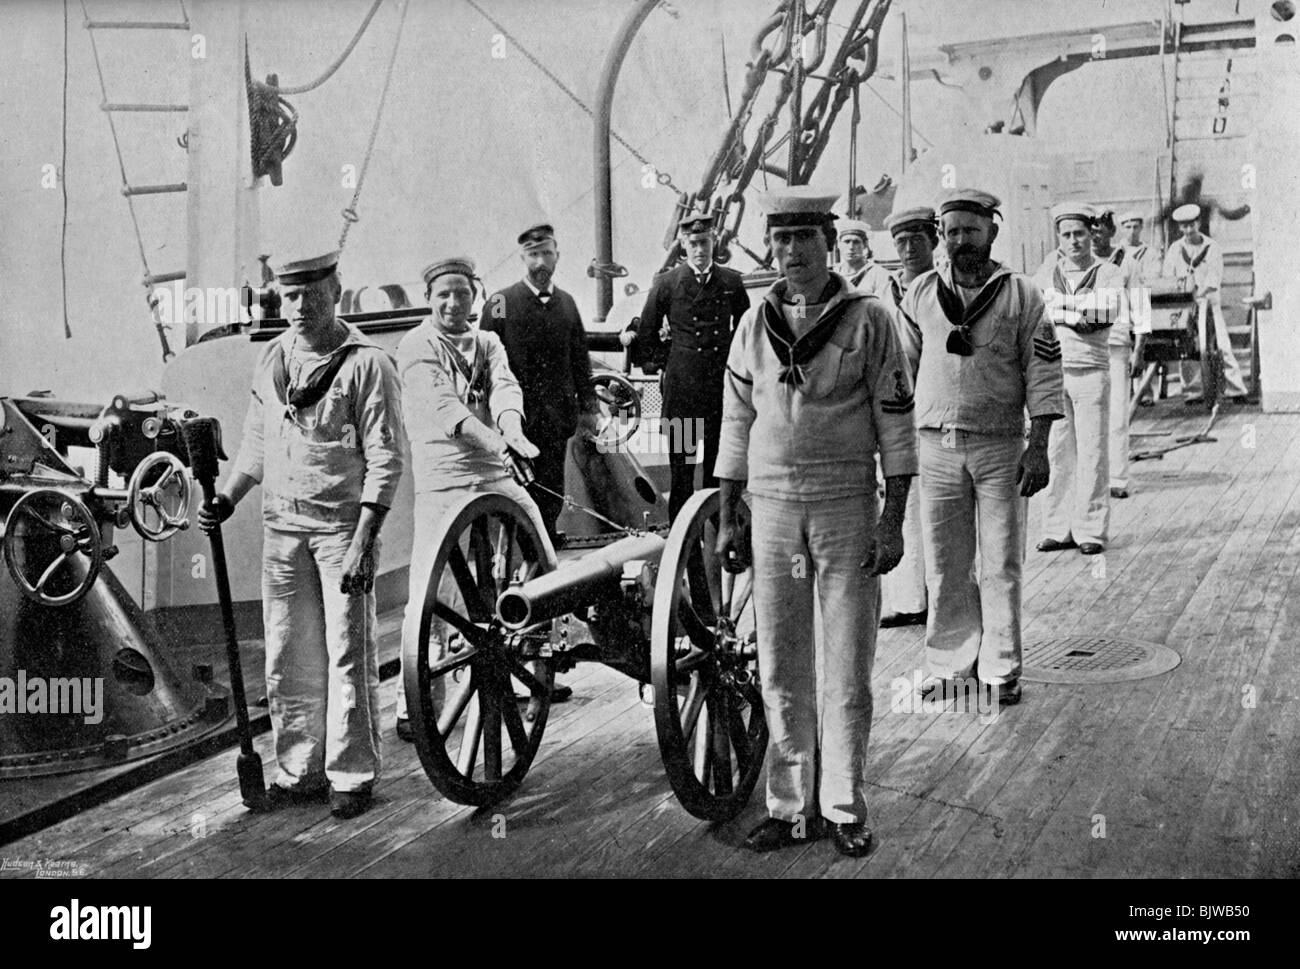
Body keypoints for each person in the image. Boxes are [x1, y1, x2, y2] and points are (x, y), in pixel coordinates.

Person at [715, 187, 918, 858]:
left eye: (805, 238)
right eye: (780, 240)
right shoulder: (754, 322)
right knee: (780, 660)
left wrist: (893, 521)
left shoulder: (870, 319)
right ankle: (789, 805)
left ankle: (843, 804)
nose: (792, 251)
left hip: (845, 502)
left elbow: (897, 422)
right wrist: (727, 514)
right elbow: (735, 423)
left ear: (829, 243)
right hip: (771, 506)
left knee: (848, 660)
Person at [198, 249, 405, 820]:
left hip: (342, 530)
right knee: (290, 652)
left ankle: (351, 773)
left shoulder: (368, 365)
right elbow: (257, 444)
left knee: (347, 654)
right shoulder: (273, 360)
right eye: (289, 295)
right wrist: (227, 496)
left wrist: (365, 538)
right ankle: (299, 770)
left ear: (335, 290)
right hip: (282, 527)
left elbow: (386, 460)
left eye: (311, 295)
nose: (299, 306)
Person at [897, 188, 1064, 706]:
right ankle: (949, 665)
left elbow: (1043, 372)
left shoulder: (1022, 294)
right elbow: (900, 374)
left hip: (1000, 449)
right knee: (945, 563)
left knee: (1001, 561)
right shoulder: (921, 293)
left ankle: (1000, 668)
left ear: (992, 230)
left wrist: (1038, 447)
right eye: (950, 233)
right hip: (936, 447)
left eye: (970, 230)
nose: (960, 241)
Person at [394, 257, 560, 743]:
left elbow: (506, 389)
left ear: (475, 296)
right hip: (445, 483)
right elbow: (446, 409)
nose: (452, 303)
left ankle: (539, 661)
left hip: (492, 475)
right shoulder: (416, 346)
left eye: (462, 294)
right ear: (429, 297)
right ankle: (415, 703)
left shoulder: (487, 342)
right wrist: (497, 442)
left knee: (540, 556)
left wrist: (512, 430)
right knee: (432, 592)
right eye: (443, 294)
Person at [624, 211, 750, 520]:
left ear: (714, 241)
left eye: (704, 242)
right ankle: (683, 544)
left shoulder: (731, 281)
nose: (699, 249)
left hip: (721, 392)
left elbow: (746, 329)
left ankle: (720, 534)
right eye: (693, 243)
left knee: (716, 471)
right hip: (682, 393)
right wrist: (671, 360)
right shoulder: (667, 283)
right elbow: (647, 332)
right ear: (683, 244)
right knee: (681, 474)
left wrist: (732, 359)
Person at [482, 223, 601, 546]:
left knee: (553, 486)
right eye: (533, 254)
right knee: (520, 487)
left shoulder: (567, 303)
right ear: (522, 257)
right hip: (515, 419)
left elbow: (580, 360)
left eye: (546, 253)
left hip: (556, 417)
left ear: (557, 256)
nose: (540, 263)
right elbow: (482, 364)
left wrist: (589, 408)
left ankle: (546, 540)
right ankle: (526, 550)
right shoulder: (500, 302)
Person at [1033, 202, 1126, 556]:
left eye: (1080, 234)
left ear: (1092, 234)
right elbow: (1035, 316)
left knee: (1092, 453)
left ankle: (1090, 530)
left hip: (1091, 372)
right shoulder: (1047, 272)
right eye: (1067, 234)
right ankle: (1057, 528)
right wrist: (1073, 310)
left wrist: (1058, 308)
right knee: (1058, 454)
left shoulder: (1108, 273)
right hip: (1055, 374)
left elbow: (1098, 320)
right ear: (1059, 236)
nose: (1074, 241)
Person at [877, 205, 939, 627]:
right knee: (902, 505)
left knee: (939, 511)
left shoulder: (944, 288)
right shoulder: (887, 292)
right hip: (898, 413)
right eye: (901, 241)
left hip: (936, 411)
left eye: (917, 239)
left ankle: (940, 595)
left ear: (933, 241)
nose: (909, 249)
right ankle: (908, 599)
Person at [1163, 203, 1249, 404]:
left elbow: (1213, 279)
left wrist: (1198, 294)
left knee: (1222, 346)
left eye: (1191, 225)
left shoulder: (1212, 247)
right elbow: (1169, 277)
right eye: (1184, 226)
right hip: (1185, 306)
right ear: (1180, 228)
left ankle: (1236, 390)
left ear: (1198, 223)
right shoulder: (1175, 249)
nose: (1188, 230)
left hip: (1208, 304)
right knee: (1188, 348)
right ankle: (1193, 392)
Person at [834, 218, 895, 296]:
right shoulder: (833, 273)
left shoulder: (879, 275)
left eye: (856, 242)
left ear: (865, 244)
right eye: (847, 241)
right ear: (839, 244)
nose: (851, 247)